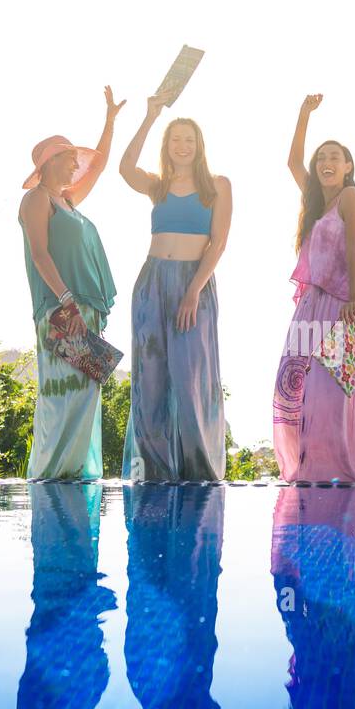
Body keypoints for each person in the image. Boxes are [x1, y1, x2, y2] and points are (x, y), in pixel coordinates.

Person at [118, 92, 232, 480]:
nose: (182, 145)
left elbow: (218, 243)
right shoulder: (157, 185)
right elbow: (125, 167)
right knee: (150, 377)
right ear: (166, 146)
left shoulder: (218, 185)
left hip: (192, 284)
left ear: (199, 146)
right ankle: (153, 469)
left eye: (189, 139)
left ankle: (199, 470)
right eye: (175, 139)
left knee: (190, 376)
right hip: (151, 283)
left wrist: (194, 290)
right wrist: (150, 116)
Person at [17, 86, 123, 479]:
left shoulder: (70, 201)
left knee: (85, 396)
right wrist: (67, 301)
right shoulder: (36, 201)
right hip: (61, 311)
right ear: (50, 162)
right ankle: (51, 478)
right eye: (69, 158)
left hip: (84, 310)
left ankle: (74, 475)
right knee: (62, 395)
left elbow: (100, 165)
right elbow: (40, 254)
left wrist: (110, 121)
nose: (76, 165)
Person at [272, 93, 355, 482]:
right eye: (322, 158)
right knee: (294, 385)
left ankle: (338, 469)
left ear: (348, 167)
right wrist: (302, 115)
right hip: (311, 304)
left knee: (333, 392)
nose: (326, 162)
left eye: (335, 157)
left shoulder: (351, 196)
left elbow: (354, 249)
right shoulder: (315, 202)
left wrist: (351, 300)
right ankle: (306, 464)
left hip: (343, 305)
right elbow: (292, 162)